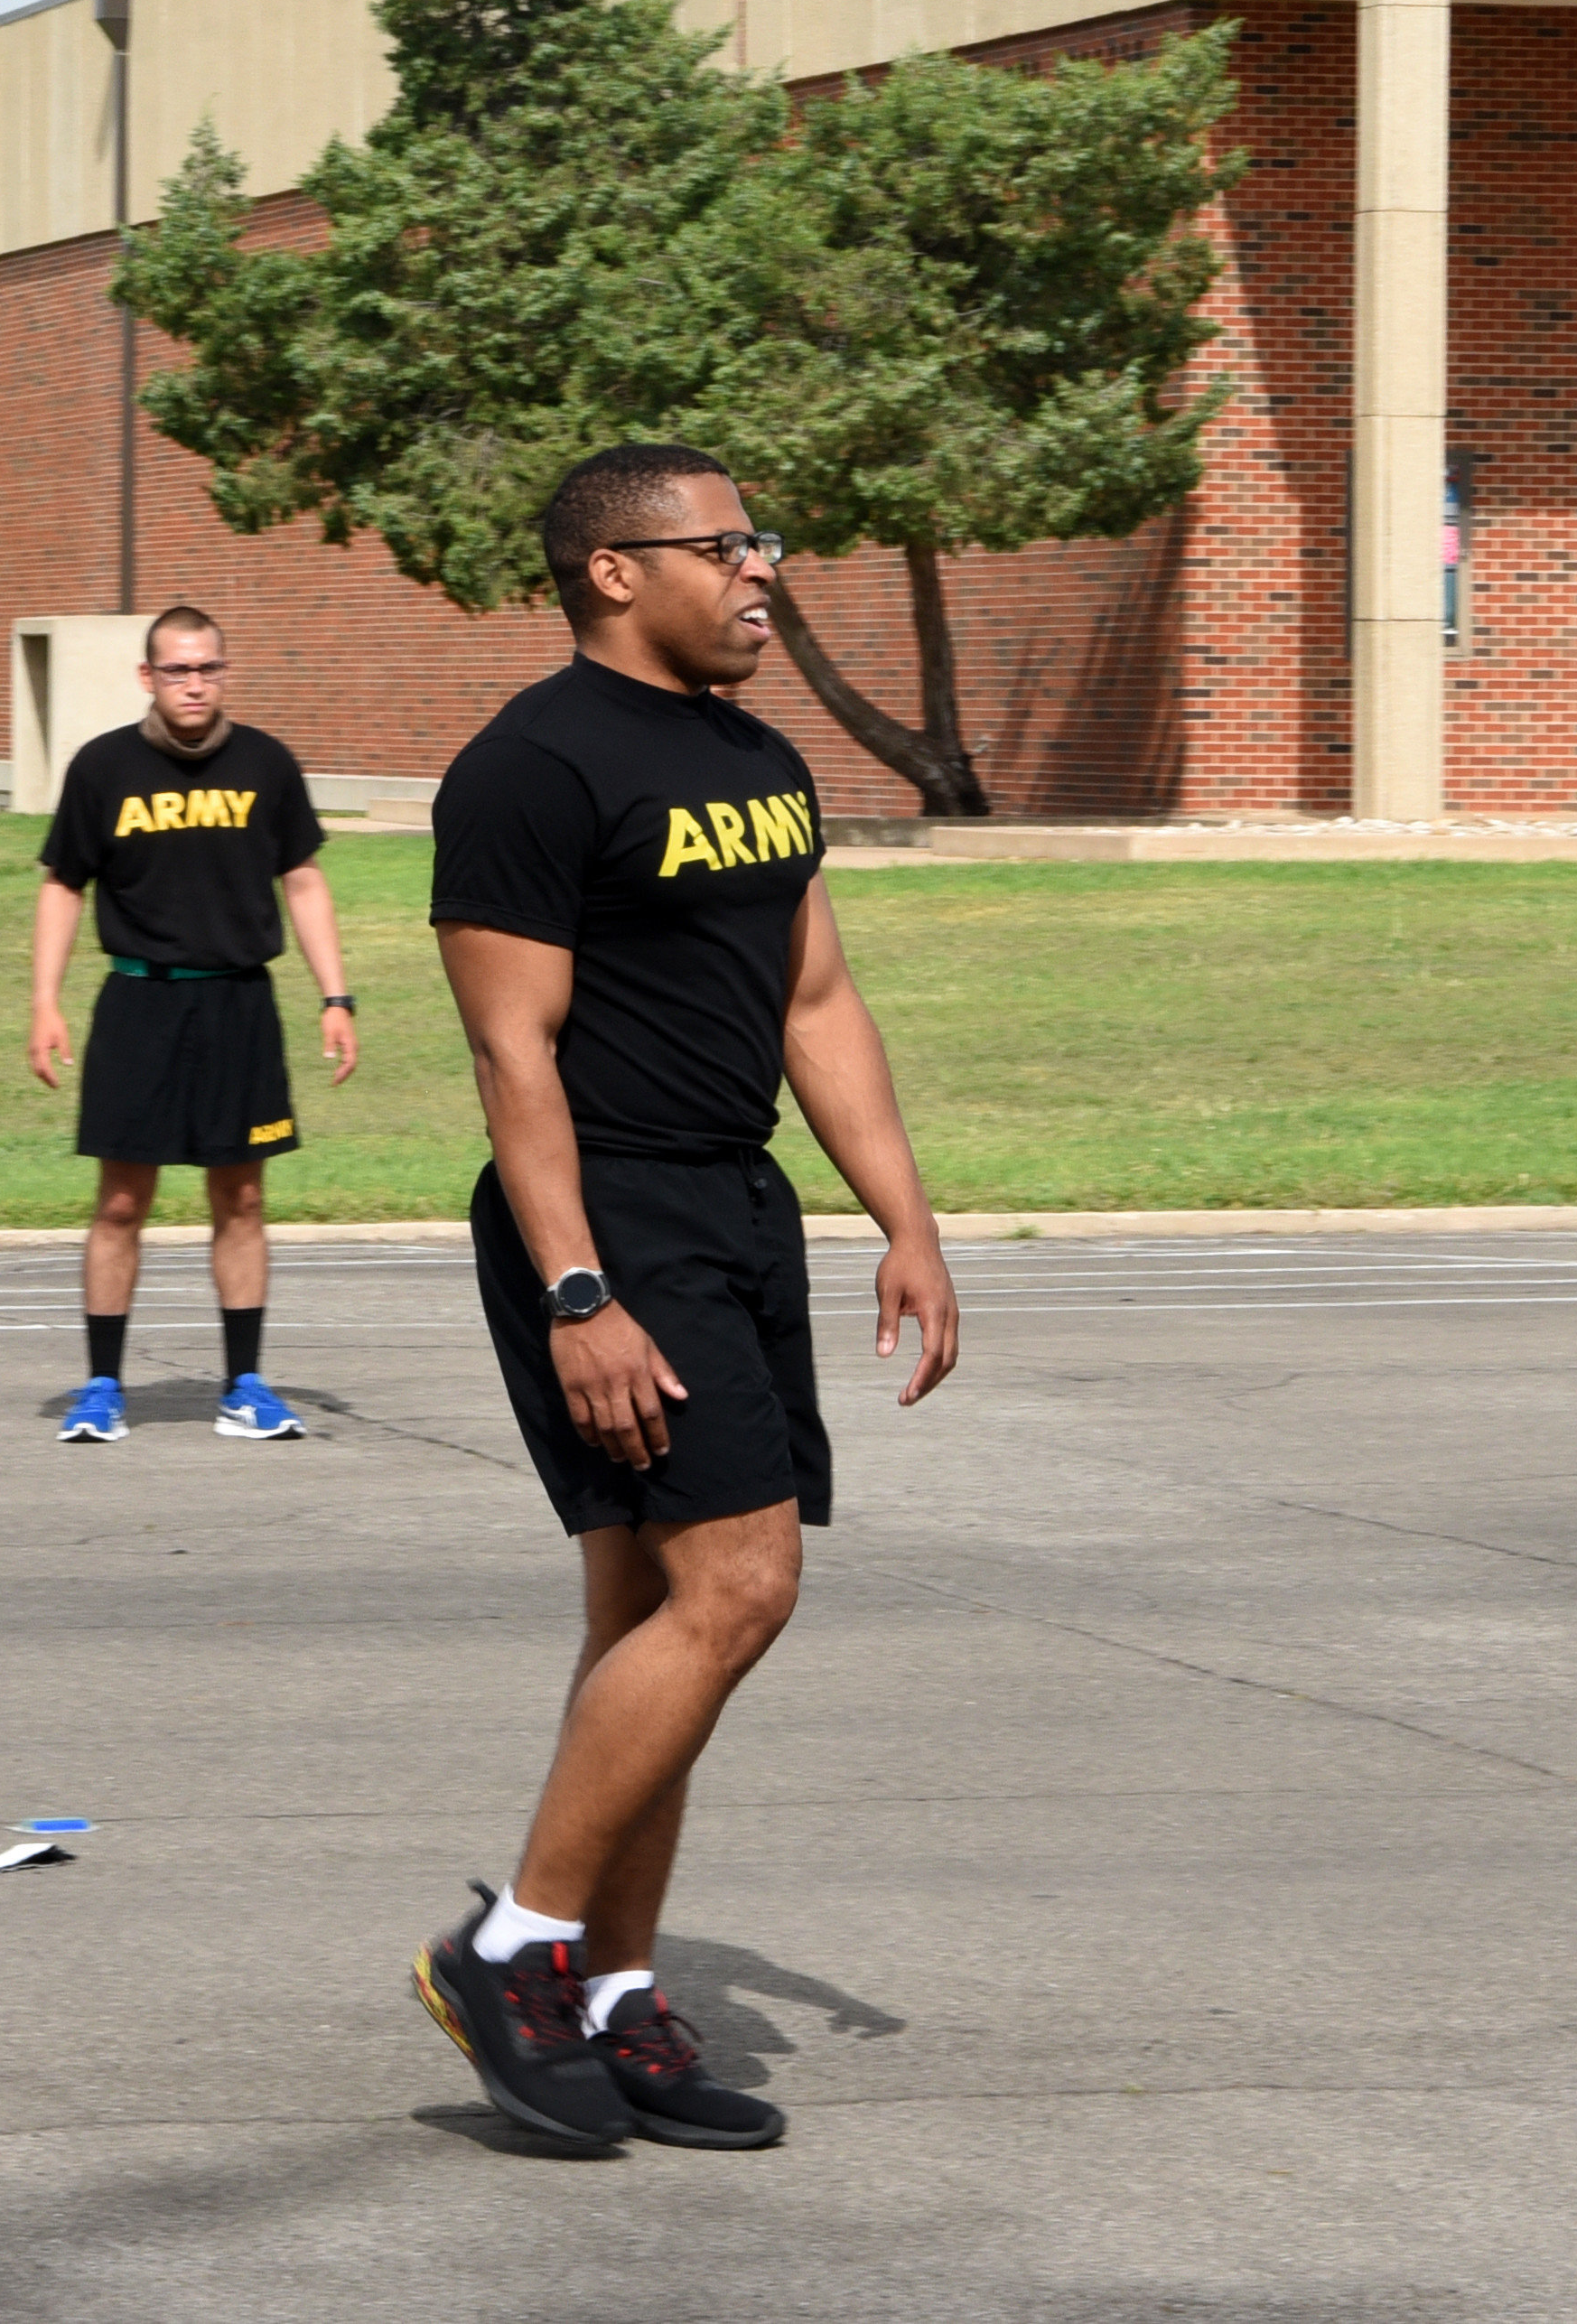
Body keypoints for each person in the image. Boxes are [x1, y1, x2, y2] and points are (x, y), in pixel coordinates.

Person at [407, 443, 961, 2152]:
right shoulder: (526, 768)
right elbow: (513, 1050)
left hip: (735, 1200)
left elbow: (817, 1001)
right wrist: (581, 1291)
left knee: (647, 1621)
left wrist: (907, 1219)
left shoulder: (758, 756)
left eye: (760, 540)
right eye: (723, 546)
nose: (761, 571)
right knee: (741, 1582)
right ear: (610, 572)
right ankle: (510, 1946)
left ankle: (609, 1992)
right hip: (609, 1209)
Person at [27, 605, 358, 1445]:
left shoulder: (266, 764)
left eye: (207, 667)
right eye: (177, 670)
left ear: (224, 672)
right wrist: (44, 1001)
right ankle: (102, 1387)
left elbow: (305, 881)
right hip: (139, 1003)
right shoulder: (103, 768)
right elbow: (63, 884)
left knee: (241, 1196)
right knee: (122, 1201)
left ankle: (245, 1385)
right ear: (148, 677)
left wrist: (336, 995)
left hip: (239, 1004)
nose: (194, 683)